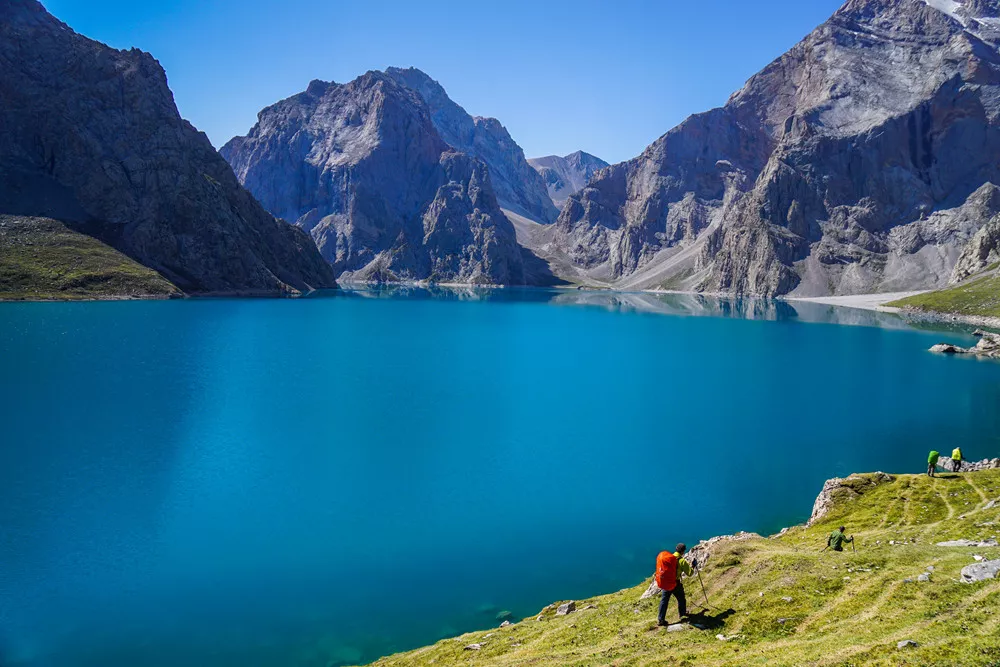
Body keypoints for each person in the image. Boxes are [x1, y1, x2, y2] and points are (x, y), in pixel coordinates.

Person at [655, 543, 691, 626]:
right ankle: (682, 614)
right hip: (676, 583)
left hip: (666, 583)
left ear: (676, 549)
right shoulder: (681, 561)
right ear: (683, 551)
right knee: (681, 598)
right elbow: (690, 573)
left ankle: (661, 619)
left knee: (664, 601)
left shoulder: (669, 558)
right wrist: (693, 565)